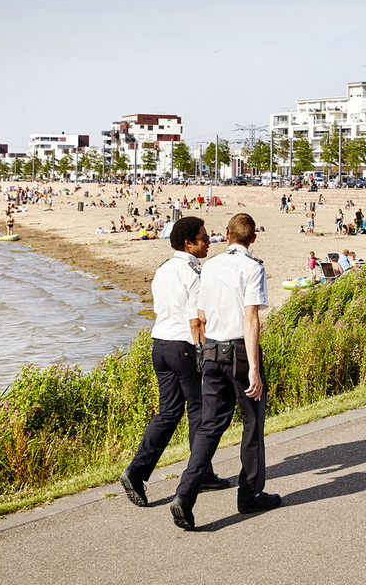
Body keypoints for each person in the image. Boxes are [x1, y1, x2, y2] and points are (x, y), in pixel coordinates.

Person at [170, 213, 280, 530]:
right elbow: (250, 319)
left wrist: (204, 352)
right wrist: (254, 370)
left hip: (212, 350)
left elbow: (201, 316)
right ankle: (250, 495)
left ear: (227, 234)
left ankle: (184, 495)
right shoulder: (253, 268)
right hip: (240, 352)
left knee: (209, 427)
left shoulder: (211, 266)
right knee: (252, 422)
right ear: (253, 238)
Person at [119, 217, 230, 507]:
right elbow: (197, 320)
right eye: (204, 238)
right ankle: (201, 473)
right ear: (188, 243)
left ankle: (137, 470)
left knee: (169, 412)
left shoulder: (163, 270)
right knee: (200, 411)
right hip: (183, 345)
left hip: (160, 344)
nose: (209, 242)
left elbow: (159, 309)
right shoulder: (193, 274)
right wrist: (203, 352)